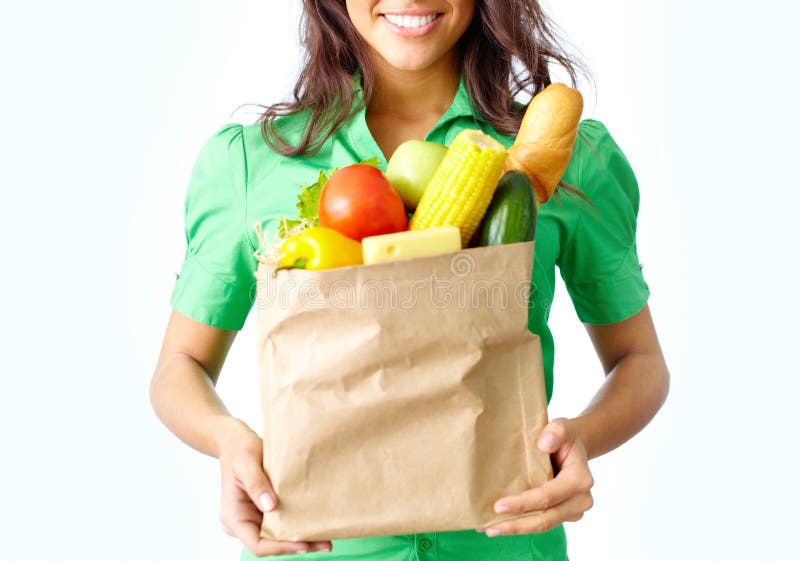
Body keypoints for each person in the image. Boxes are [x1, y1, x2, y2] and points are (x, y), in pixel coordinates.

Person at [150, 1, 670, 560]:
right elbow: (180, 366)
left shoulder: (567, 160)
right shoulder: (251, 164)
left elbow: (639, 360)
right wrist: (229, 443)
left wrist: (582, 439)